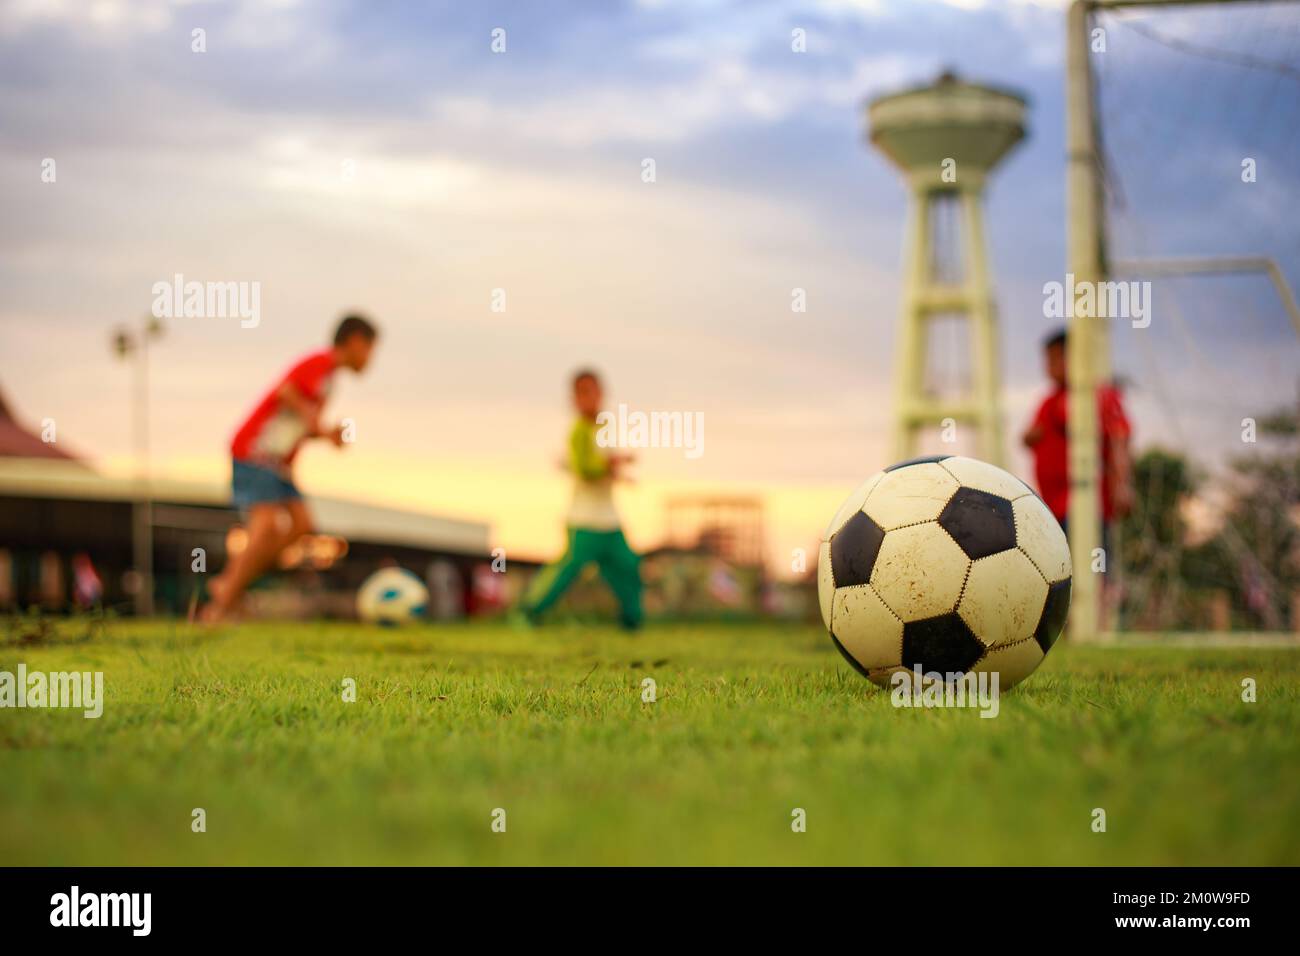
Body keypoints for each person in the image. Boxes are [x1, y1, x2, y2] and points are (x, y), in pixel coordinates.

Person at [200, 314, 378, 622]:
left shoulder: (329, 380)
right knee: (266, 526)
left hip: (278, 464)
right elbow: (286, 394)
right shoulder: (320, 362)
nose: (371, 358)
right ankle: (221, 603)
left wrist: (324, 435)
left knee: (301, 526)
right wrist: (319, 427)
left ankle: (233, 580)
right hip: (255, 452)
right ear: (355, 342)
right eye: (370, 349)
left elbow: (298, 425)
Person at [519, 369, 643, 630]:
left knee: (628, 567)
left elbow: (603, 464)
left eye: (594, 391)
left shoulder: (604, 427)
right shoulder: (577, 432)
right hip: (583, 521)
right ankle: (530, 612)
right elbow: (585, 469)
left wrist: (618, 472)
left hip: (609, 519)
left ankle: (632, 621)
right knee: (564, 573)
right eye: (584, 392)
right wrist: (614, 464)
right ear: (574, 398)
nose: (591, 397)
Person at [1023, 328, 1134, 545]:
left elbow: (1119, 441)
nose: (1050, 367)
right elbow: (1029, 437)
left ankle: (1102, 580)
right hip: (1051, 506)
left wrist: (1122, 484)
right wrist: (1030, 436)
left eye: (1056, 358)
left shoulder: (1099, 396)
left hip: (1086, 503)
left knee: (1091, 558)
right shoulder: (1049, 401)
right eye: (1048, 360)